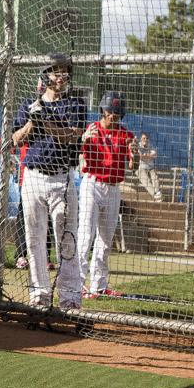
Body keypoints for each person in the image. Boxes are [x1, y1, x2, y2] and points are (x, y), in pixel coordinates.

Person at [11, 54, 87, 308]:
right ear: (45, 75)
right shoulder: (29, 105)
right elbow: (17, 140)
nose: (61, 76)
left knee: (67, 239)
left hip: (61, 178)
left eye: (65, 71)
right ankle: (39, 294)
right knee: (34, 240)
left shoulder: (75, 104)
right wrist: (34, 121)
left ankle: (69, 297)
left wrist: (47, 122)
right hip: (33, 177)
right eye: (56, 71)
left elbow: (71, 136)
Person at [65, 91, 134, 302]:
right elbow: (82, 158)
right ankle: (77, 283)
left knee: (106, 239)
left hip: (113, 188)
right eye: (110, 112)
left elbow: (134, 165)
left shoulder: (125, 135)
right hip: (92, 184)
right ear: (103, 111)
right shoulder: (92, 129)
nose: (113, 116)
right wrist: (84, 140)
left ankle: (99, 285)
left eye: (117, 113)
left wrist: (136, 154)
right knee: (86, 235)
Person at [132, 131, 163, 201]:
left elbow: (155, 154)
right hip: (141, 167)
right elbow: (140, 157)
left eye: (147, 138)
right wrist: (148, 156)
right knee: (146, 181)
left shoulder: (150, 145)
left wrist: (145, 155)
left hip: (150, 167)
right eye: (143, 138)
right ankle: (156, 195)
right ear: (140, 139)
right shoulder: (138, 145)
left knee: (155, 178)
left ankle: (157, 193)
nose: (145, 140)